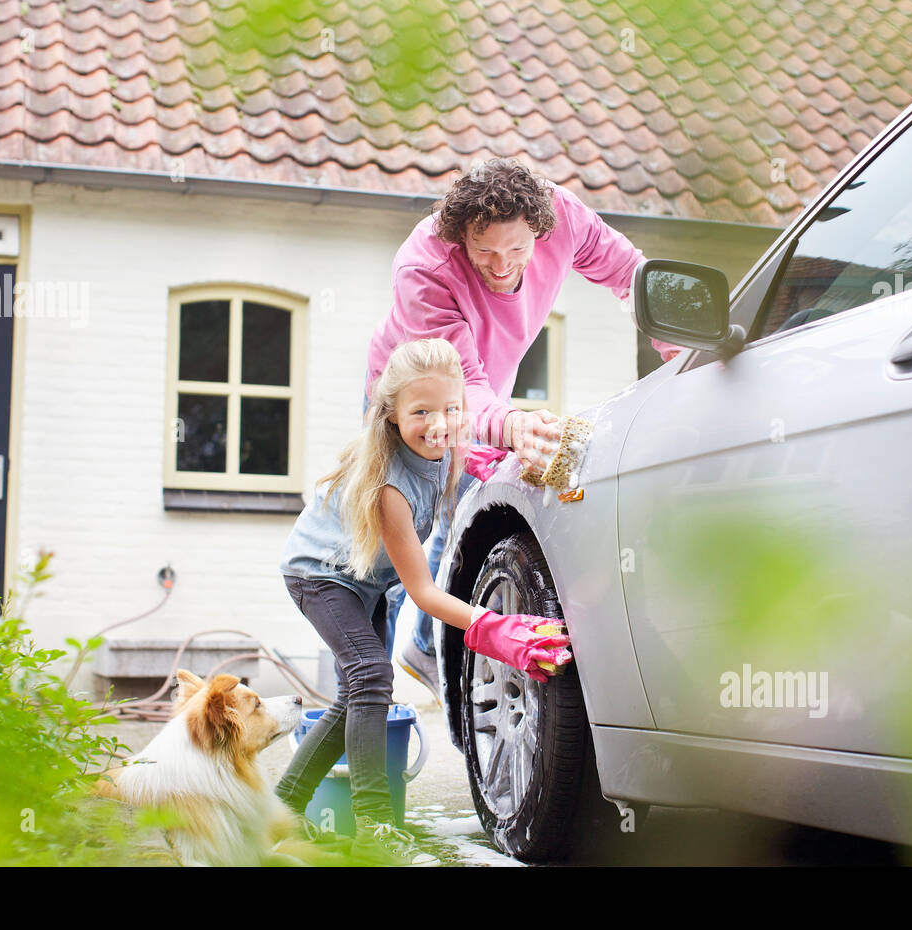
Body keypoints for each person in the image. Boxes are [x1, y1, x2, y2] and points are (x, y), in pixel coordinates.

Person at [364, 158, 683, 700]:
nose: (502, 266)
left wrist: (676, 345)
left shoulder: (564, 216)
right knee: (394, 550)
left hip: (487, 391)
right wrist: (510, 423)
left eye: (517, 251)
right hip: (413, 395)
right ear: (461, 235)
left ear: (540, 229)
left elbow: (631, 274)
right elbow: (459, 388)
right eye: (484, 251)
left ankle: (424, 643)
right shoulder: (424, 267)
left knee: (464, 500)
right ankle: (369, 693)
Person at [276, 338, 569, 865]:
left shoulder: (448, 442)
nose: (438, 423)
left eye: (451, 409)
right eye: (420, 412)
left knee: (356, 694)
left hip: (366, 582)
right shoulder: (388, 486)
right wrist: (493, 628)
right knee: (370, 677)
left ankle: (280, 808)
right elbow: (424, 592)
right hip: (320, 575)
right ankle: (377, 828)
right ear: (390, 416)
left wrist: (509, 460)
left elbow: (463, 464)